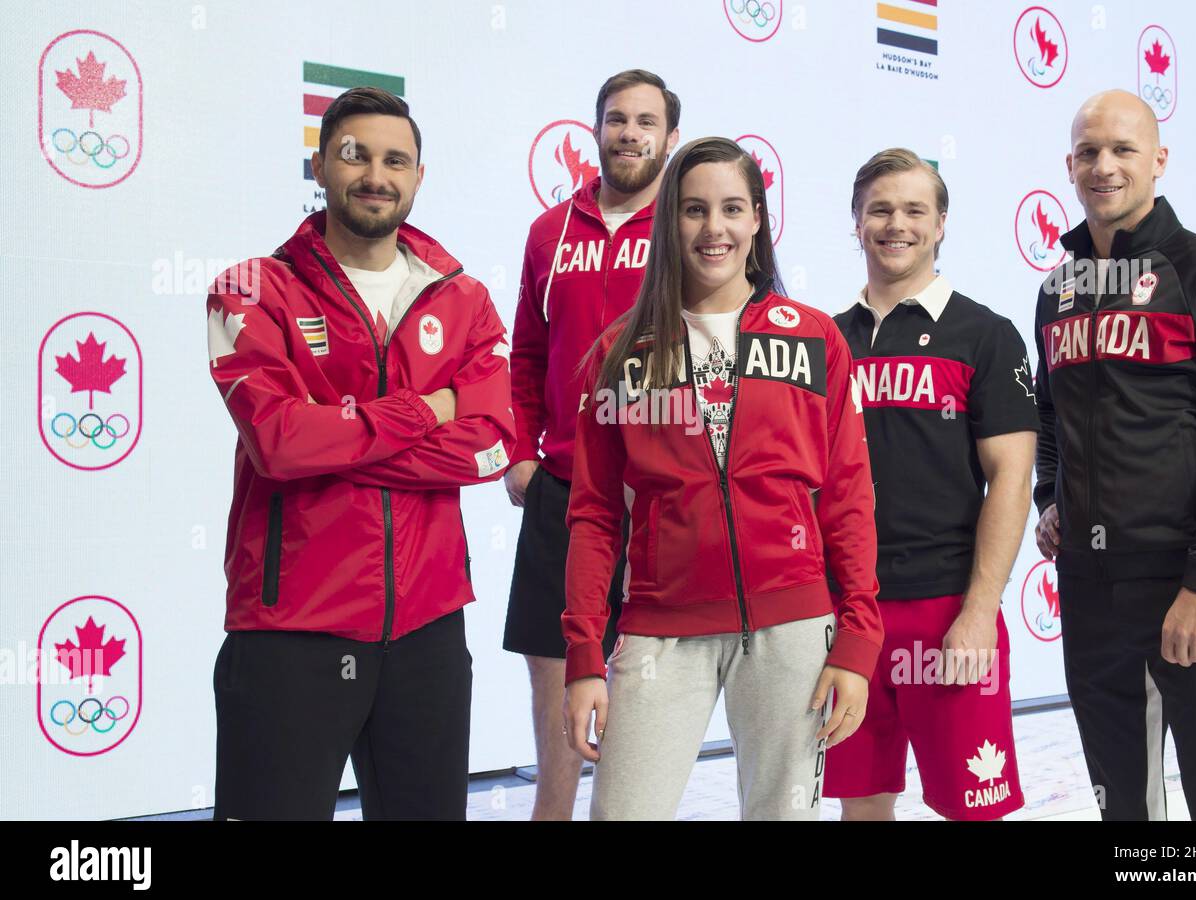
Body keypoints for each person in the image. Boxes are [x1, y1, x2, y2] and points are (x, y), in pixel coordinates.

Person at [205, 86, 514, 820]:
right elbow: (278, 442)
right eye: (355, 155)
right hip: (292, 630)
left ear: (418, 176)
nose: (376, 174)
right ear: (319, 165)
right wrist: (429, 409)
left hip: (428, 629)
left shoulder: (463, 296)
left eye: (394, 160)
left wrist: (335, 437)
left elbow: (493, 444)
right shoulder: (250, 288)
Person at [562, 137, 884, 820]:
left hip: (793, 625)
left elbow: (849, 497)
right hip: (661, 627)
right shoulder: (618, 353)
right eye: (694, 210)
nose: (715, 229)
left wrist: (857, 641)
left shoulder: (814, 339)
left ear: (759, 220)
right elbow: (594, 514)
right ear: (668, 222)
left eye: (733, 208)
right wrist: (586, 652)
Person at [1032, 90, 1196, 820]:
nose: (1103, 166)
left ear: (1159, 161)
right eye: (1088, 152)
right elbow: (1051, 411)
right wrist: (1051, 497)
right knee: (1125, 808)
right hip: (1090, 590)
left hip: (1193, 583)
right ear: (1070, 165)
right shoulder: (1058, 292)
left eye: (1123, 150)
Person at [825, 149, 1039, 821]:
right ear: (856, 223)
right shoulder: (824, 342)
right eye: (880, 209)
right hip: (847, 615)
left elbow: (1012, 477)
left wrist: (979, 612)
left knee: (971, 809)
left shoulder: (986, 336)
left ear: (941, 224)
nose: (897, 224)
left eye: (916, 210)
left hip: (947, 611)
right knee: (862, 805)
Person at [503, 69, 680, 819]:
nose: (630, 133)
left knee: (645, 693)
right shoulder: (551, 231)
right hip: (565, 491)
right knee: (557, 691)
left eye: (646, 121)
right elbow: (527, 356)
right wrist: (518, 454)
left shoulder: (688, 232)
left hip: (660, 496)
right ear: (596, 130)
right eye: (616, 119)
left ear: (671, 137)